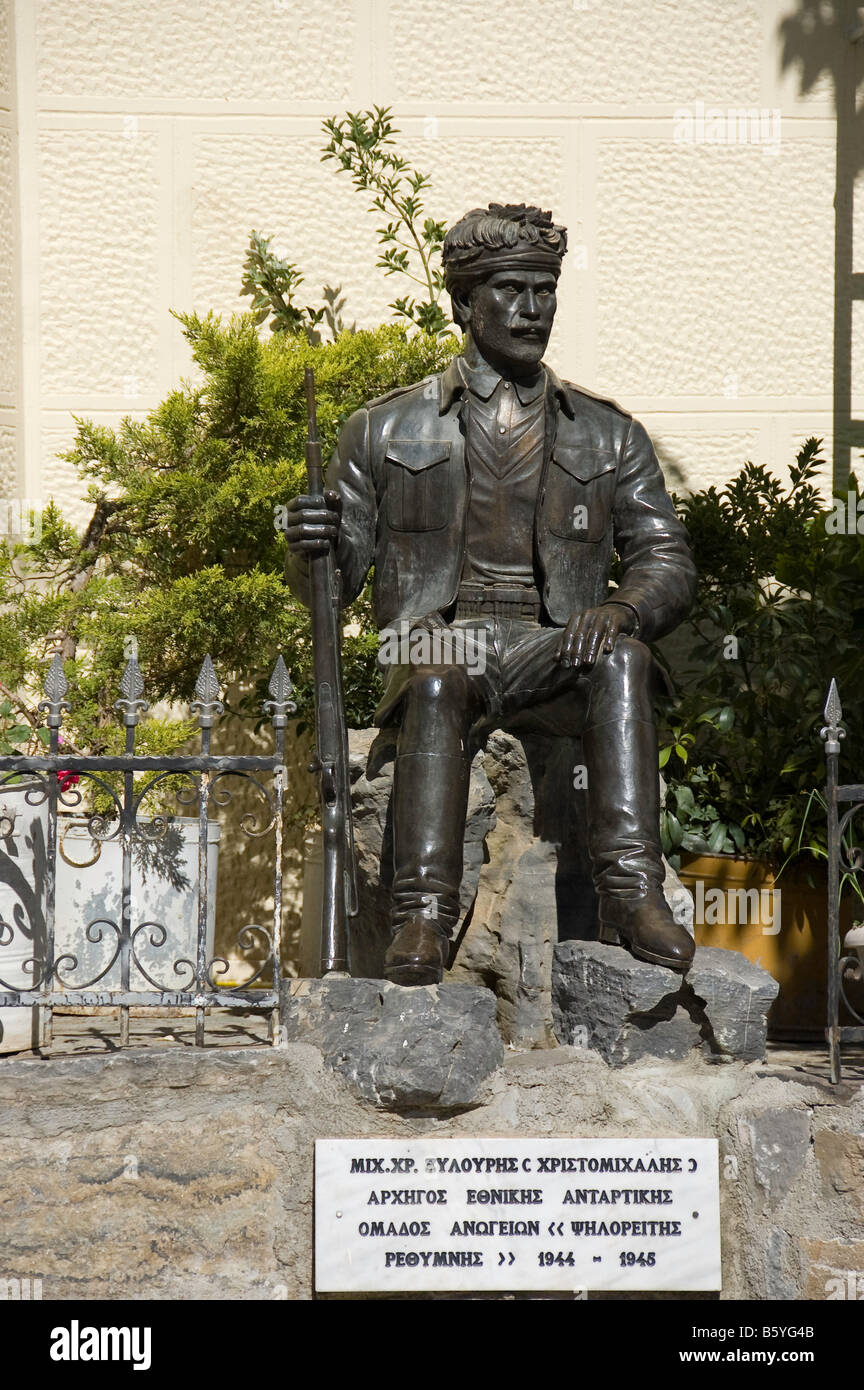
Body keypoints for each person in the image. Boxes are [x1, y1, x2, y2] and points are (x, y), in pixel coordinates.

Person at [285, 203, 697, 986]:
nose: (532, 309)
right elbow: (333, 584)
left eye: (545, 291)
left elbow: (666, 559)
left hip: (552, 646)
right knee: (437, 673)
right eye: (512, 290)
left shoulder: (608, 434)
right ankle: (423, 916)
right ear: (463, 305)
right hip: (439, 641)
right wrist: (308, 543)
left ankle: (633, 894)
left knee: (625, 660)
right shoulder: (382, 429)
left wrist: (619, 609)